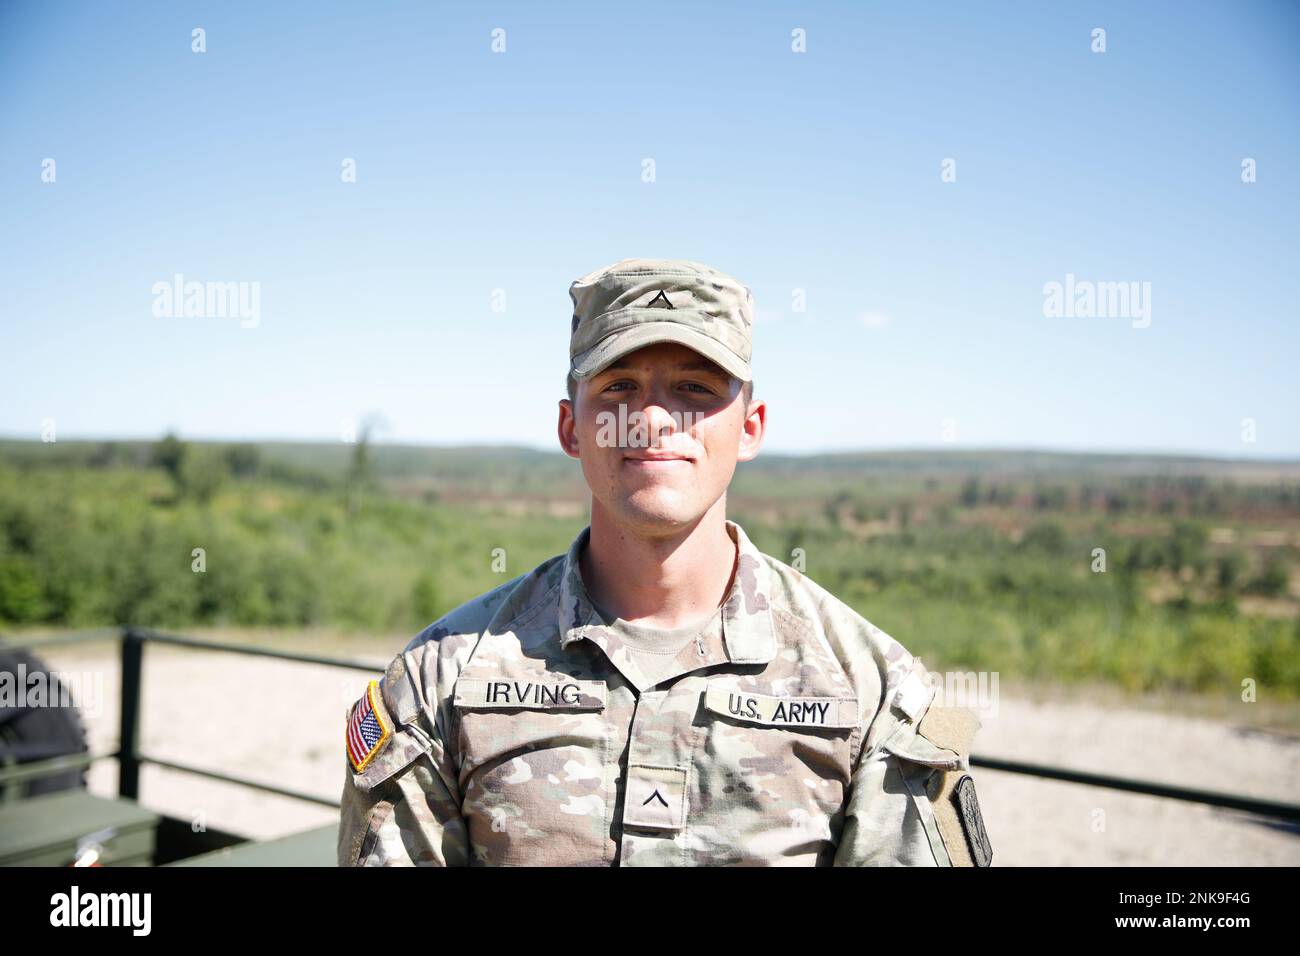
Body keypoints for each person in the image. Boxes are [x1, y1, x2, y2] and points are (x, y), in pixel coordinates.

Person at [337, 257, 992, 866]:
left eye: (694, 388)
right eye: (619, 386)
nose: (650, 419)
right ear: (571, 427)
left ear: (753, 427)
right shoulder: (438, 682)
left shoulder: (876, 692)